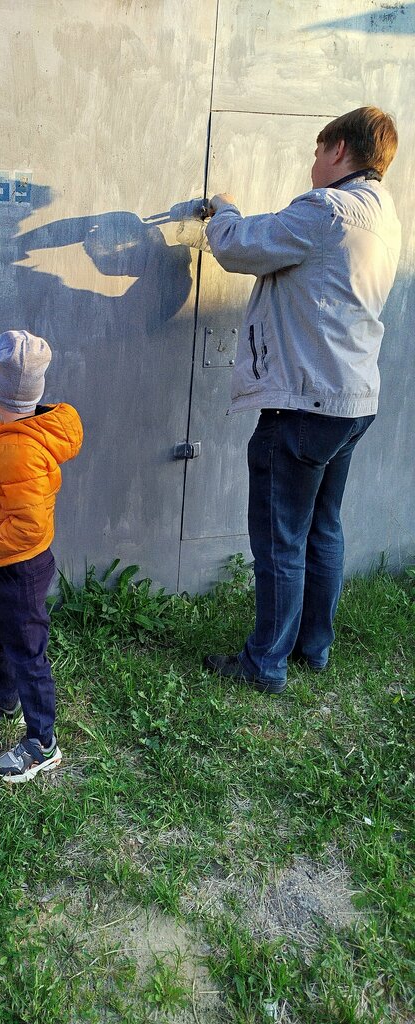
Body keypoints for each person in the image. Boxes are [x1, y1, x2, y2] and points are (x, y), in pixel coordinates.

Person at [201, 106, 401, 694]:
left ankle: (265, 664)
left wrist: (224, 208)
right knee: (323, 528)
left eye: (318, 150)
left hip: (304, 405)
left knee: (280, 538)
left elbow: (239, 247)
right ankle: (313, 647)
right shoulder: (383, 214)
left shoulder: (325, 210)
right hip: (352, 400)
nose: (313, 163)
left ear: (340, 149)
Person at [0, 330, 83, 780]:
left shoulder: (17, 449)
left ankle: (42, 742)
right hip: (9, 563)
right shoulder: (19, 430)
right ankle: (5, 701)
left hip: (19, 566)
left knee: (27, 651)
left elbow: (27, 527)